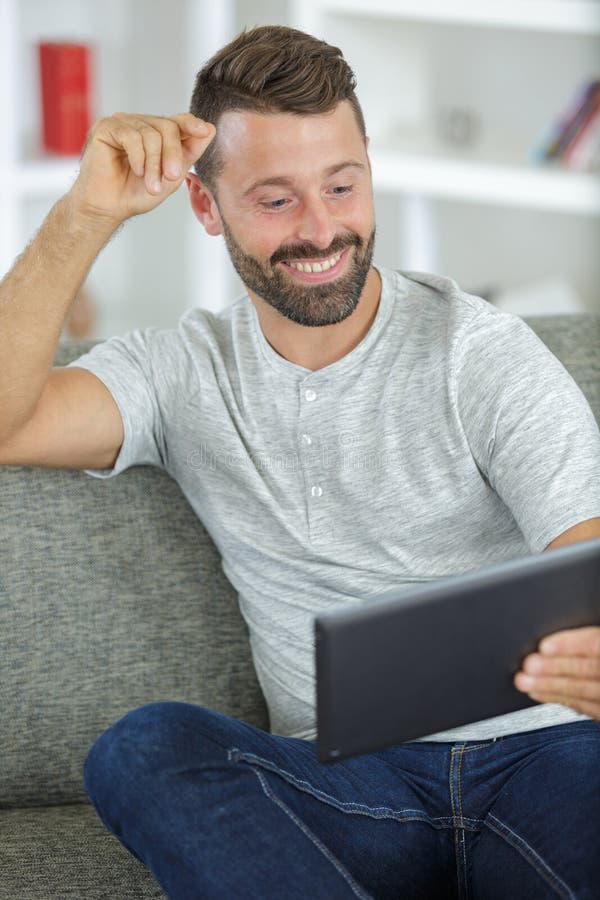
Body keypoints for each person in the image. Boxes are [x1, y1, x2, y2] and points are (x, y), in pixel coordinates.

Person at [1, 23, 599, 900]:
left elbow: (585, 553)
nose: (323, 229)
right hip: (348, 784)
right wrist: (83, 214)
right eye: (275, 199)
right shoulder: (180, 370)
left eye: (342, 186)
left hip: (546, 754)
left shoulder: (480, 352)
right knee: (143, 748)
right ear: (208, 209)